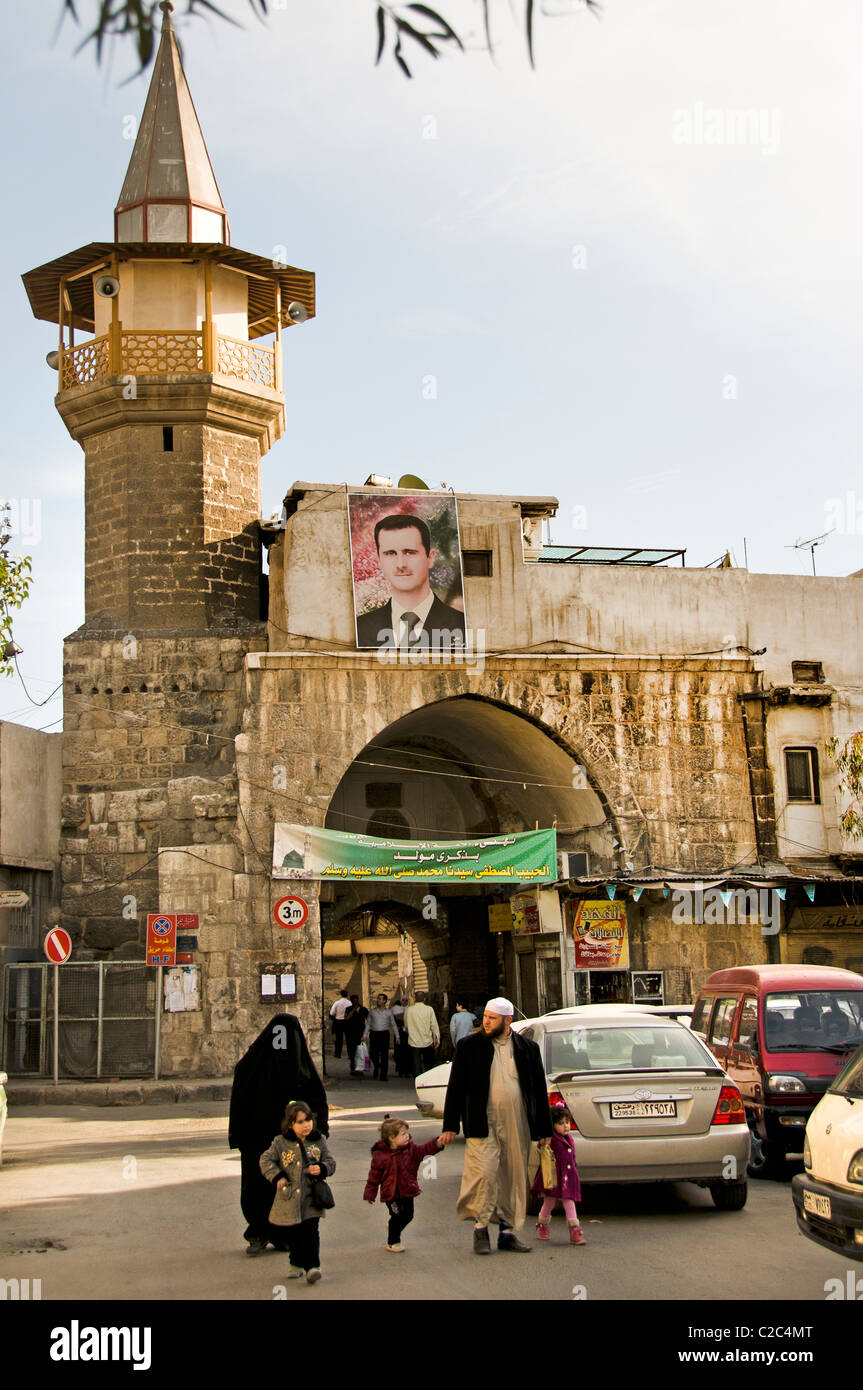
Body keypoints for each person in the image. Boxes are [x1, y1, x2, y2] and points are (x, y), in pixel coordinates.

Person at [439, 996, 552, 1255]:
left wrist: (544, 1130)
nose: (486, 1023)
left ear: (507, 1020)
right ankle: (480, 1229)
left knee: (512, 1177)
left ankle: (507, 1232)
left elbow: (538, 1090)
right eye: (485, 1018)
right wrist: (450, 1125)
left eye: (492, 1019)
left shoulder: (527, 1048)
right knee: (485, 1175)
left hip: (517, 1122)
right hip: (483, 1122)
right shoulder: (469, 1047)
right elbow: (456, 1087)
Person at [228, 1014, 329, 1257]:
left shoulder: (251, 1065)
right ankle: (263, 1232)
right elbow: (316, 1102)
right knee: (268, 1184)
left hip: (269, 1141)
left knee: (276, 1186)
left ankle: (272, 1233)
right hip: (264, 1140)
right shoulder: (299, 1069)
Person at [355, 513, 466, 650]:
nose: (401, 564)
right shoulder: (360, 627)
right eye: (390, 553)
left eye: (410, 552)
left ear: (430, 558)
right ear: (379, 560)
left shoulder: (462, 625)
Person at [260, 1100, 336, 1284]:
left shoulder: (318, 1140)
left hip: (312, 1197)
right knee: (293, 1233)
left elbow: (330, 1162)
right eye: (300, 1122)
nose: (306, 1125)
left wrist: (322, 1168)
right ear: (290, 1124)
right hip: (290, 1197)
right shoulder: (281, 1142)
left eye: (308, 1120)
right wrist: (277, 1177)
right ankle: (296, 1263)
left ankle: (313, 1267)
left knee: (311, 1231)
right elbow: (265, 1160)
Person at [363, 1115, 445, 1252]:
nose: (407, 1136)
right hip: (391, 1194)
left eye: (407, 1133)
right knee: (397, 1216)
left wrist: (438, 1143)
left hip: (407, 1190)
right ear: (391, 1138)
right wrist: (369, 1194)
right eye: (403, 1134)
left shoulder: (411, 1150)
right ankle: (393, 1242)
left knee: (408, 1215)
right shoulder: (381, 1156)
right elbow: (374, 1177)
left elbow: (425, 1150)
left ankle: (394, 1226)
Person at [531, 1104, 586, 1245]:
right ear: (553, 1125)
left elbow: (572, 1157)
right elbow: (542, 1148)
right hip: (554, 1177)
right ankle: (542, 1223)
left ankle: (574, 1230)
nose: (566, 1126)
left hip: (568, 1177)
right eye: (561, 1124)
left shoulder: (569, 1139)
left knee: (569, 1202)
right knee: (549, 1202)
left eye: (567, 1122)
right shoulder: (552, 1140)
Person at [363, 992, 399, 1081]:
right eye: (377, 999)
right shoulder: (372, 1012)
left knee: (384, 1055)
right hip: (374, 1034)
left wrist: (397, 1036)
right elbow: (368, 1024)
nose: (378, 1000)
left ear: (384, 1001)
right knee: (373, 1053)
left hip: (384, 1035)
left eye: (380, 999)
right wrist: (364, 1035)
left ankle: (383, 1075)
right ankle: (376, 1066)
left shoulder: (388, 1012)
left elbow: (393, 1024)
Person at [404, 993, 440, 1076]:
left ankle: (418, 1081)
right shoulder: (429, 1009)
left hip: (414, 1041)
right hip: (427, 1041)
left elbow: (406, 1025)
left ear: (415, 999)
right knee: (429, 1064)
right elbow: (434, 1025)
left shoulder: (409, 1010)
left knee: (416, 1064)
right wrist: (437, 1039)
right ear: (425, 999)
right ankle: (428, 1081)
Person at [343, 995, 369, 1075]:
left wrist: (365, 1033)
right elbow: (346, 1018)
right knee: (351, 1051)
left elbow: (368, 1020)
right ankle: (353, 1068)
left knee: (360, 1051)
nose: (355, 1003)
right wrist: (353, 1010)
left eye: (356, 1001)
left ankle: (360, 1068)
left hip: (360, 1033)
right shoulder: (348, 1009)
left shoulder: (363, 1009)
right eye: (354, 1001)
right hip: (350, 1033)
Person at [392, 994, 412, 1077]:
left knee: (407, 1053)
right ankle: (400, 1070)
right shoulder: (395, 1010)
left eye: (406, 1000)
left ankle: (407, 1071)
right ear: (400, 1001)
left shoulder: (410, 1010)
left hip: (408, 1034)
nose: (405, 1002)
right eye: (403, 1000)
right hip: (399, 1034)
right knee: (399, 1053)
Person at [329, 989, 352, 1058]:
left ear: (340, 995)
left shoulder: (337, 1003)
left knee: (339, 1039)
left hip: (338, 1021)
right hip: (347, 1022)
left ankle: (338, 1054)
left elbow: (332, 1013)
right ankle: (350, 1054)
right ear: (347, 995)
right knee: (348, 1039)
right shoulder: (349, 1003)